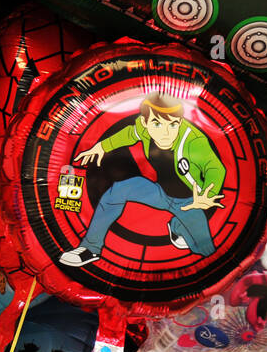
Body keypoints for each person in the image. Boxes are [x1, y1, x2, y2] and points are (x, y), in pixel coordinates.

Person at [60, 93, 225, 267]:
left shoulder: (194, 141)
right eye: (157, 124)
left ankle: (178, 226)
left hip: (189, 201)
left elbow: (215, 168)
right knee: (116, 192)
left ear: (180, 122)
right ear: (146, 123)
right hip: (160, 192)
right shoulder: (143, 127)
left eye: (173, 124)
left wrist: (208, 195)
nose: (166, 132)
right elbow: (130, 133)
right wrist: (102, 146)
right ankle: (90, 248)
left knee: (208, 253)